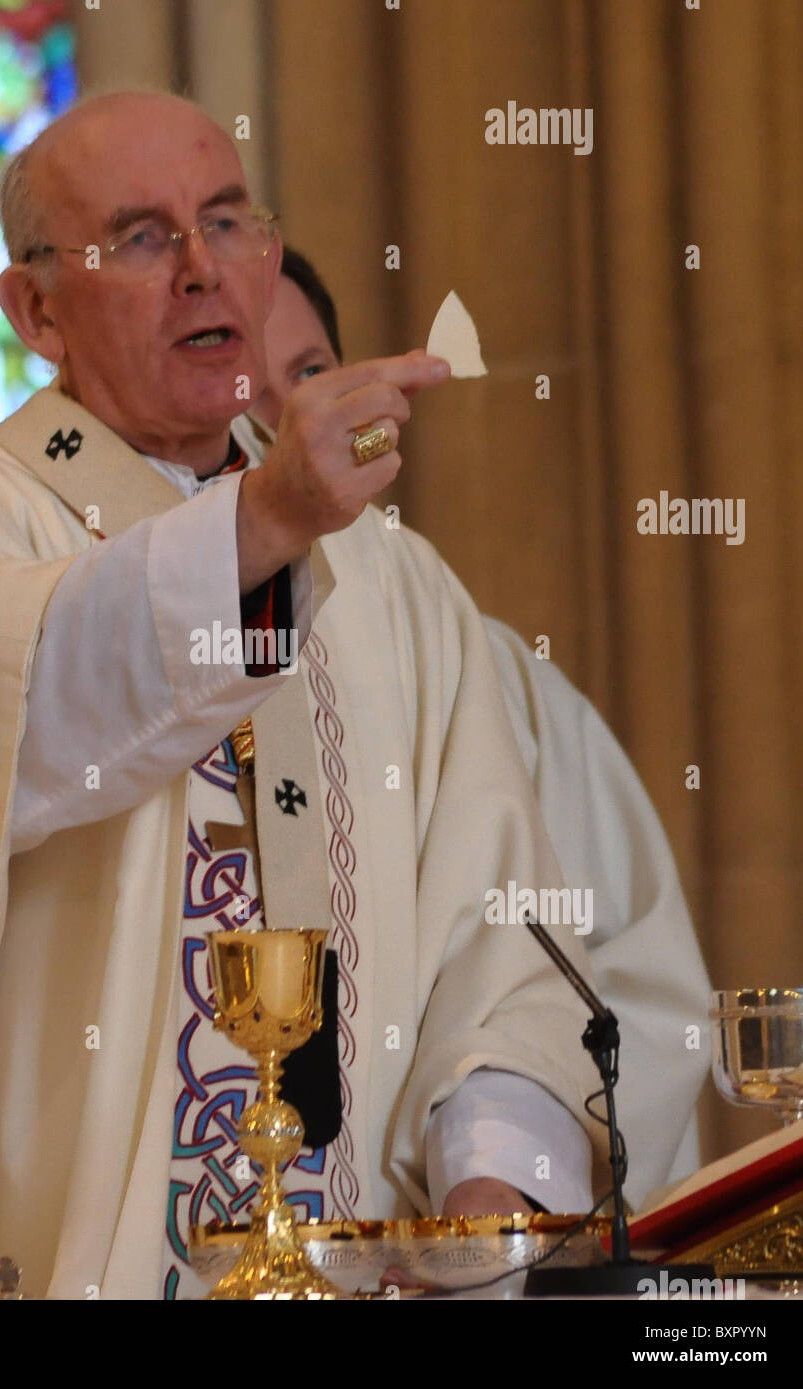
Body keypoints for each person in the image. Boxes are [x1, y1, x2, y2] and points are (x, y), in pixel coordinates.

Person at [0, 91, 617, 1302]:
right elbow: (33, 712)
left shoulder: (395, 580)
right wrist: (266, 522)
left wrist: (485, 1211)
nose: (204, 270)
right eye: (144, 238)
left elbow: (504, 951)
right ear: (35, 307)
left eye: (228, 222)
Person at [245, 249, 712, 1212]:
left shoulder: (475, 668)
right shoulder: (114, 651)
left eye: (307, 378)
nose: (281, 425)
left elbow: (620, 985)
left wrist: (490, 1212)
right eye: (244, 387)